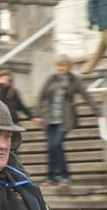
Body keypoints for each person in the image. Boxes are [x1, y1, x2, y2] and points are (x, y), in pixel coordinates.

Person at [34, 56, 96, 189]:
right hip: (50, 119)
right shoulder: (52, 79)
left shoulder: (74, 80)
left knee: (56, 144)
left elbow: (86, 95)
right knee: (52, 148)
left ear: (68, 67)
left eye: (64, 66)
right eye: (59, 66)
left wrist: (98, 111)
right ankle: (53, 177)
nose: (61, 68)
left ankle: (64, 176)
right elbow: (42, 96)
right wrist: (37, 113)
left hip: (65, 119)